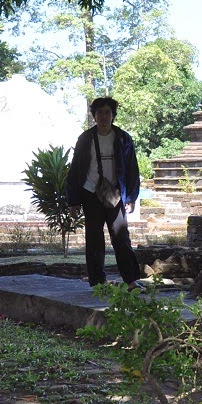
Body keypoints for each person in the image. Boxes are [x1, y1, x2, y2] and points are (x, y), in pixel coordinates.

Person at [66, 97, 142, 287]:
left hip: (115, 195)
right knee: (94, 240)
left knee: (121, 238)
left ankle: (131, 280)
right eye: (99, 112)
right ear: (94, 116)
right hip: (90, 192)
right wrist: (74, 201)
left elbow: (132, 168)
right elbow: (75, 169)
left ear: (113, 115)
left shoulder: (123, 138)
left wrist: (131, 197)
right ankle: (98, 282)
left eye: (107, 112)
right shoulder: (85, 139)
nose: (104, 116)